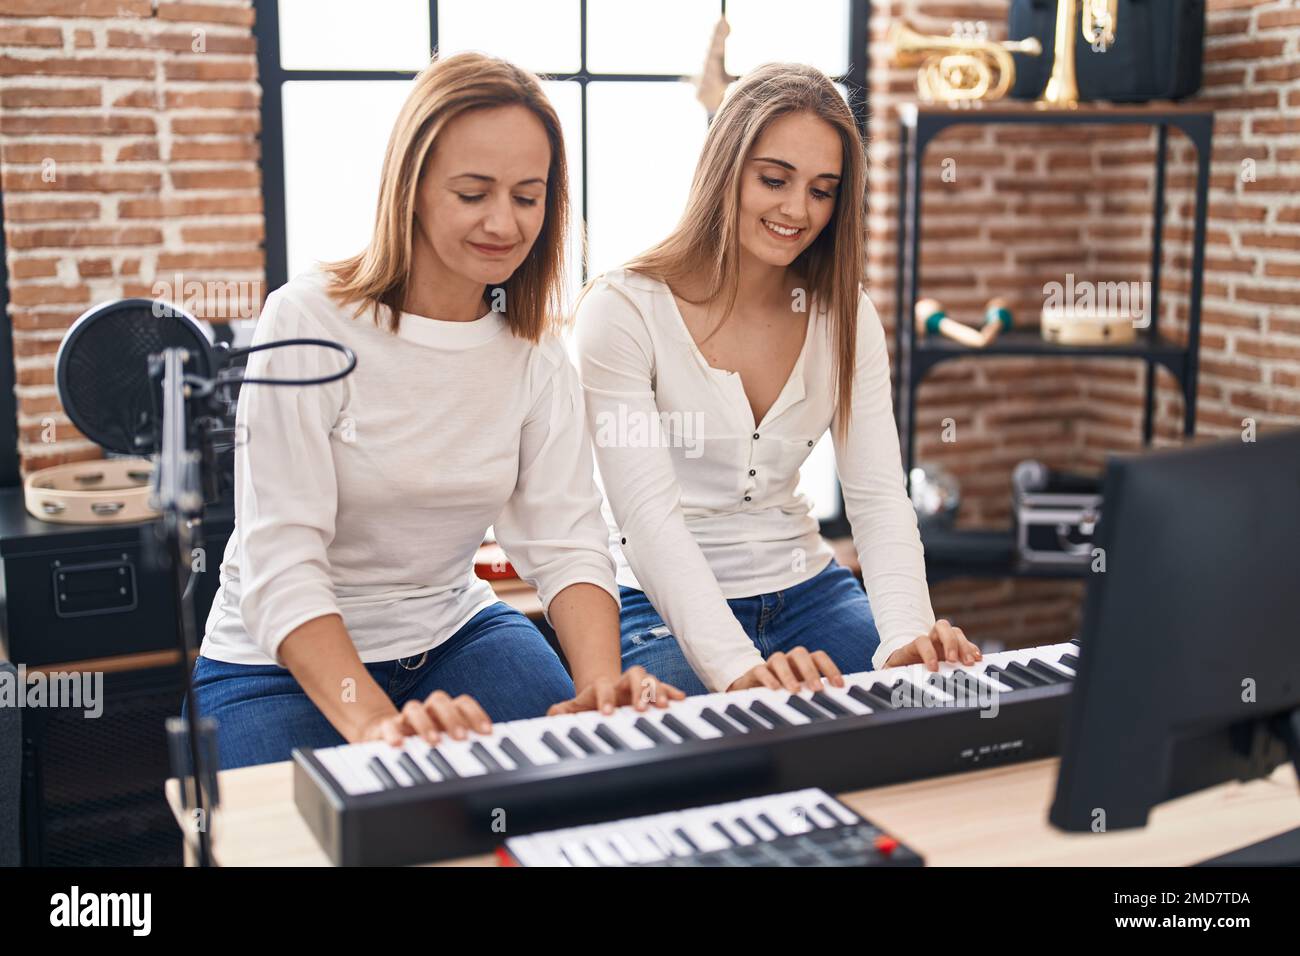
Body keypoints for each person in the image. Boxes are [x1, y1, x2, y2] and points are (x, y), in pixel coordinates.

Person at [190, 52, 680, 770]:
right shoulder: (307, 321)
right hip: (275, 665)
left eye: (528, 196)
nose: (504, 223)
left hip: (455, 636)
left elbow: (567, 537)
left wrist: (601, 687)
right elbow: (281, 563)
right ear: (411, 188)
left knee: (577, 777)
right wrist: (376, 725)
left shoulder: (535, 349)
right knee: (346, 815)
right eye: (473, 193)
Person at [574, 63, 981, 698]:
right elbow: (648, 522)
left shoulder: (846, 316)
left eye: (823, 190)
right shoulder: (622, 310)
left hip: (810, 593)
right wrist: (738, 670)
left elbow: (878, 496)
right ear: (725, 169)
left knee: (923, 702)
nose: (798, 210)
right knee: (714, 743)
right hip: (655, 605)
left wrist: (906, 635)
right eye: (774, 179)